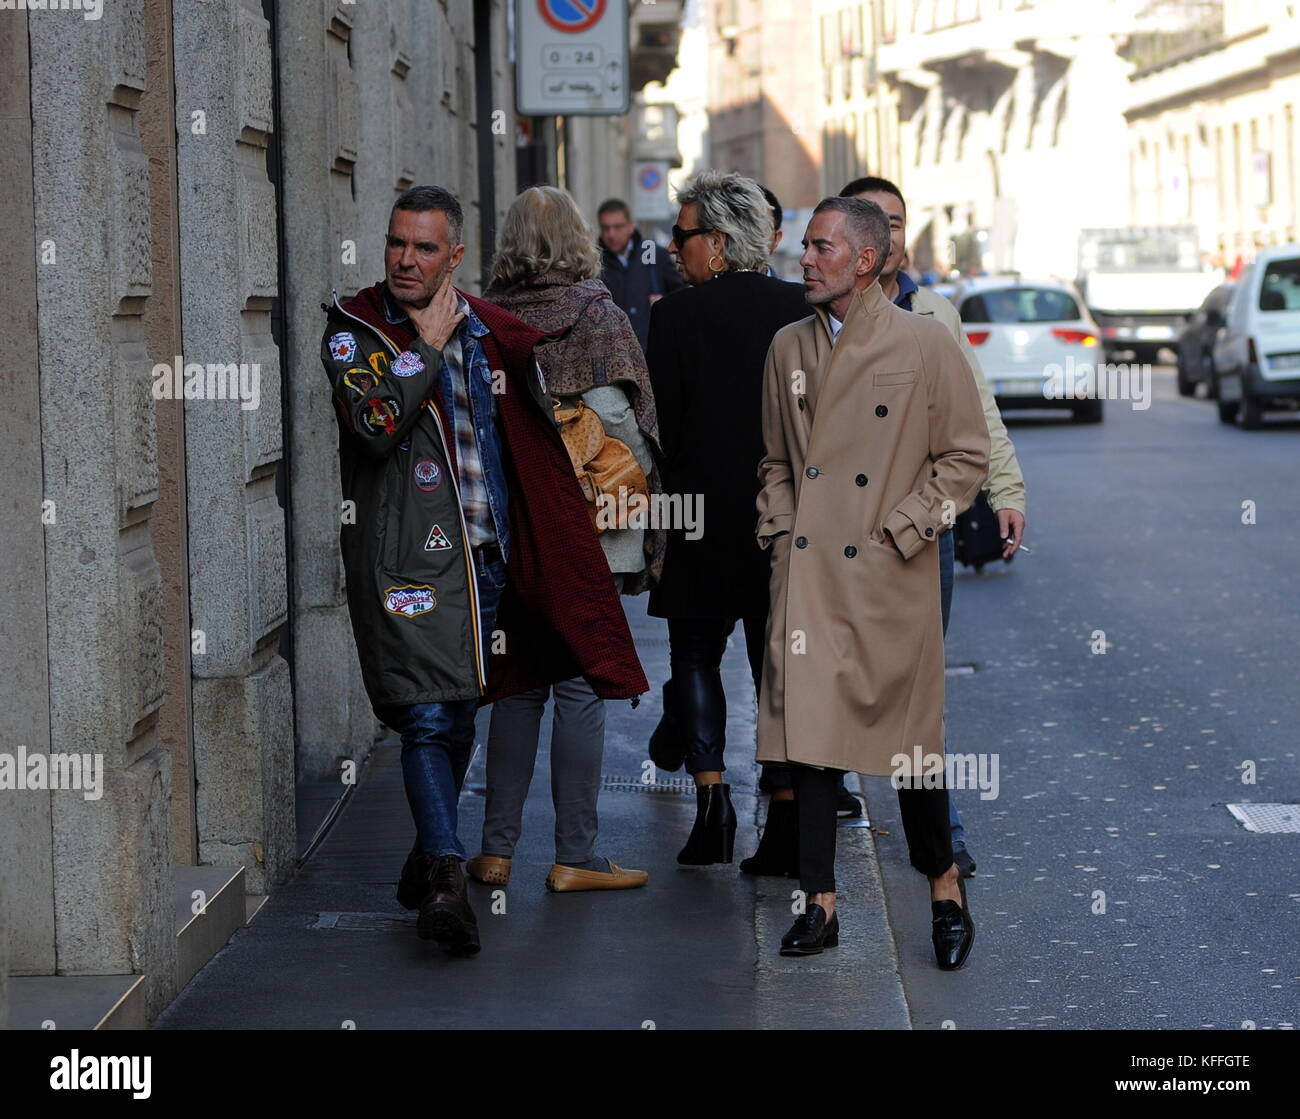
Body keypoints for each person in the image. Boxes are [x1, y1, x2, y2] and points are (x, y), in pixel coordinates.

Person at [320, 185, 647, 956]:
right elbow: (372, 425)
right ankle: (443, 875)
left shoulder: (486, 329)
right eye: (398, 243)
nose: (405, 259)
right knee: (425, 716)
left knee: (462, 710)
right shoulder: (354, 328)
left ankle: (431, 843)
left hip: (485, 558)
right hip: (406, 562)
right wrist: (421, 347)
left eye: (424, 248)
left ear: (455, 256)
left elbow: (519, 439)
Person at [757, 197, 989, 969]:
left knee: (912, 748)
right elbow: (778, 464)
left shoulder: (924, 343)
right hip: (812, 576)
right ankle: (819, 902)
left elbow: (965, 460)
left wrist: (905, 528)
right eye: (804, 246)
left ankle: (945, 885)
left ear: (864, 259)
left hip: (890, 577)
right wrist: (783, 535)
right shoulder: (787, 347)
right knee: (813, 744)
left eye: (822, 247)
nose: (806, 258)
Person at [466, 186, 663, 893]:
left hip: (514, 527)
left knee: (518, 685)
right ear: (579, 237)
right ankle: (576, 854)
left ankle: (494, 851)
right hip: (587, 528)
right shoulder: (599, 315)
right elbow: (638, 424)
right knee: (579, 684)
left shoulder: (482, 319)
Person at [841, 175, 1028, 877]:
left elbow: (977, 414)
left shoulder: (936, 313)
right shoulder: (823, 318)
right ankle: (812, 823)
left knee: (917, 687)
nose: (887, 235)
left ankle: (940, 835)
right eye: (873, 221)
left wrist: (1005, 489)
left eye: (896, 222)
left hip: (927, 532)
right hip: (843, 536)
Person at [644, 170, 809, 867]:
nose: (675, 249)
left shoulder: (676, 316)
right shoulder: (802, 308)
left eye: (684, 236)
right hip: (783, 518)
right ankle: (785, 821)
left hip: (697, 513)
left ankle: (712, 805)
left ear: (715, 240)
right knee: (778, 668)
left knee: (694, 658)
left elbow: (662, 429)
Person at [598, 198, 685, 351]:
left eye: (618, 227)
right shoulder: (595, 262)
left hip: (652, 350)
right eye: (606, 228)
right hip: (615, 354)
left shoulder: (651, 252)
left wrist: (665, 303)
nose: (611, 234)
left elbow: (682, 291)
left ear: (631, 226)